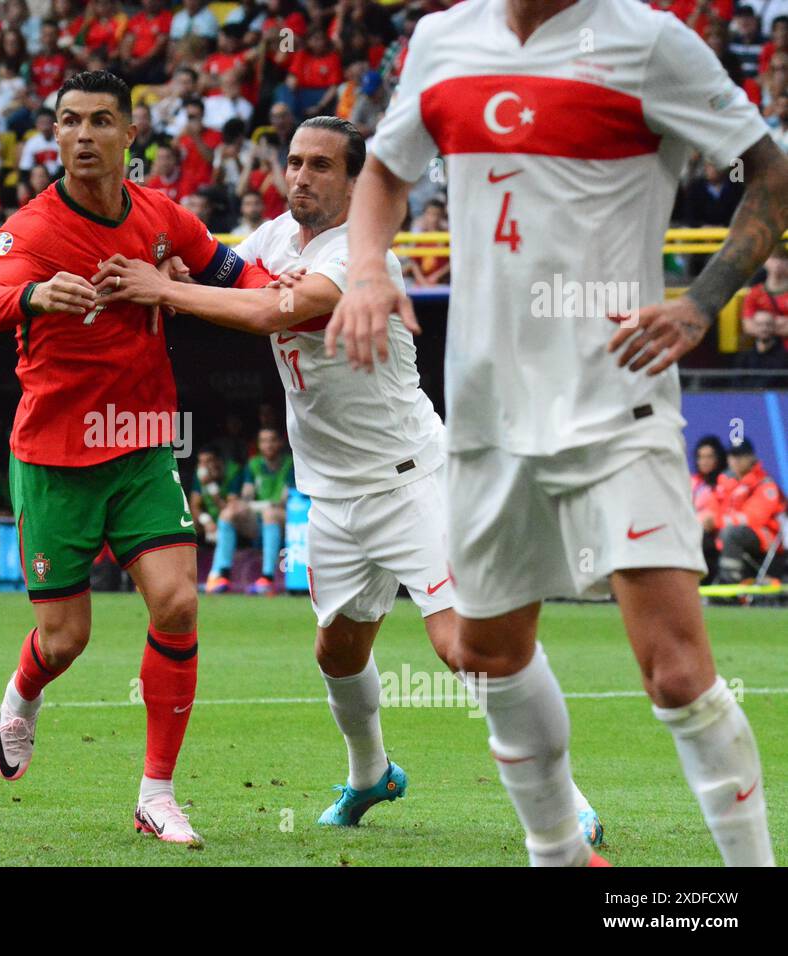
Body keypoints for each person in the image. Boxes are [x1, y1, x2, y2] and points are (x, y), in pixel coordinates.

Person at [326, 0, 787, 867]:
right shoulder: (443, 39)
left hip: (617, 403)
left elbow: (771, 171)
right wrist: (364, 271)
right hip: (487, 413)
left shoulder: (650, 42)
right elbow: (384, 171)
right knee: (487, 652)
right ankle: (559, 857)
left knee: (676, 672)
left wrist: (701, 302)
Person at [93, 114, 605, 841]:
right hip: (331, 494)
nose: (300, 176)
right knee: (337, 652)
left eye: (321, 165)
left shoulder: (366, 257)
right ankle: (371, 775)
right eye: (295, 161)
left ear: (359, 182)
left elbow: (271, 309)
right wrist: (174, 272)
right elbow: (224, 272)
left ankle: (565, 799)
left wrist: (167, 290)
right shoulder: (276, 237)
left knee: (464, 646)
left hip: (413, 481)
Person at [0, 70, 273, 846]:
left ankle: (156, 795)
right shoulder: (34, 228)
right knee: (65, 640)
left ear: (130, 134)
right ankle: (24, 690)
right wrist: (34, 296)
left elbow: (232, 271)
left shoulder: (161, 217)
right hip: (54, 456)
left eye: (101, 121)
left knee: (177, 604)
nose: (84, 135)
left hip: (140, 442)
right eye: (70, 120)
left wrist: (297, 289)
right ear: (54, 133)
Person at [203, 427, 293, 595]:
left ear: (280, 443)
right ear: (258, 445)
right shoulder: (253, 465)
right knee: (229, 512)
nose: (268, 445)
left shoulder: (290, 464)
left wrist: (261, 505)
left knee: (270, 513)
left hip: (286, 521)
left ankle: (267, 578)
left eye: (272, 440)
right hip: (260, 521)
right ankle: (220, 575)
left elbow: (283, 502)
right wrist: (244, 504)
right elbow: (247, 496)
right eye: (263, 441)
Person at [716, 438, 784, 584]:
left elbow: (754, 518)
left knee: (731, 533)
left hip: (765, 537)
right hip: (733, 534)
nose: (736, 460)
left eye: (740, 455)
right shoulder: (726, 484)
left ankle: (730, 583)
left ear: (751, 457)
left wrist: (719, 522)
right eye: (732, 455)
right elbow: (718, 511)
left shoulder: (765, 484)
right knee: (701, 533)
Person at [692, 435, 736, 582]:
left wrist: (711, 521)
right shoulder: (693, 482)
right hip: (692, 530)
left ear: (718, 458)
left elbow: (729, 511)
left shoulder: (726, 482)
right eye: (700, 457)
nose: (704, 461)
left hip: (714, 534)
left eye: (709, 457)